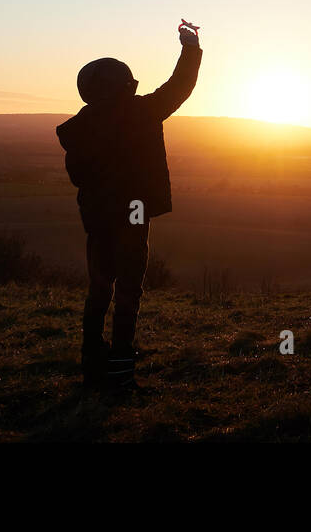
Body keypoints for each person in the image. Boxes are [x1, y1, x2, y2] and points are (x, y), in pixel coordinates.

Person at [56, 22, 202, 389]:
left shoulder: (78, 128)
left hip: (96, 218)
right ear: (124, 83)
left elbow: (78, 177)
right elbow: (179, 87)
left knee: (99, 288)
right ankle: (121, 366)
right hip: (133, 215)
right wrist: (191, 47)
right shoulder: (142, 112)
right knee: (128, 291)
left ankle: (92, 360)